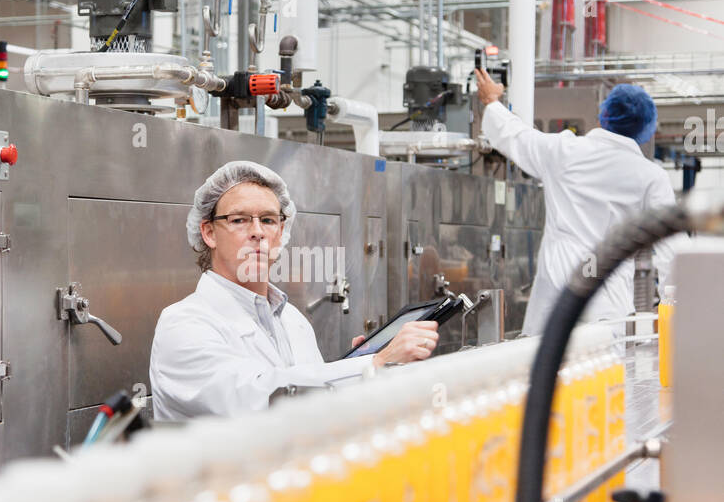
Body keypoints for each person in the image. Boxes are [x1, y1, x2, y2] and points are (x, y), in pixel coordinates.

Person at [150, 160, 440, 420]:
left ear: (281, 231)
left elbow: (313, 411)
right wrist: (371, 363)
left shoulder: (291, 319)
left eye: (268, 220)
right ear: (209, 233)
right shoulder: (183, 324)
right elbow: (258, 398)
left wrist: (360, 369)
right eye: (239, 220)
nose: (257, 232)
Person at [476, 72, 679, 336]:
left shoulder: (563, 151)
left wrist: (491, 101)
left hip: (555, 300)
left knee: (548, 373)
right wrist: (672, 309)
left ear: (602, 116)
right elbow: (671, 252)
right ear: (647, 129)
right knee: (602, 374)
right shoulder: (652, 177)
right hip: (607, 306)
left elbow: (515, 136)